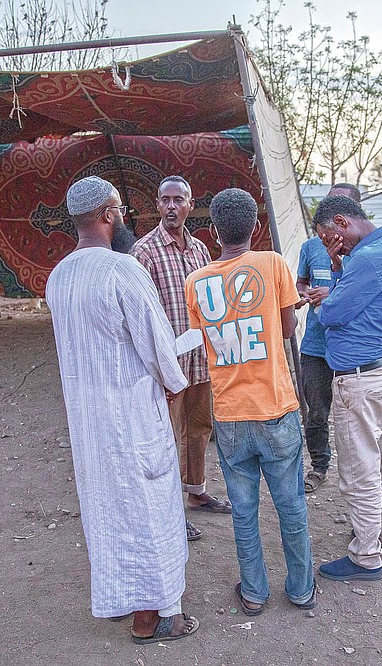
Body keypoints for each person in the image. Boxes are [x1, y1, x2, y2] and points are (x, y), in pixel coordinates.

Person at [45, 176, 198, 644]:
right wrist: (174, 384)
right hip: (130, 417)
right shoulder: (122, 270)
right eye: (122, 211)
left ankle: (120, 598)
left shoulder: (58, 277)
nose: (126, 218)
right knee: (146, 511)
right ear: (109, 215)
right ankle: (154, 617)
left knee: (106, 512)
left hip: (88, 423)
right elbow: (156, 346)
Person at [184, 187, 316, 615]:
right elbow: (285, 329)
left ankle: (255, 592)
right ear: (255, 227)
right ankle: (301, 589)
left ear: (213, 232)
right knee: (291, 504)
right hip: (276, 407)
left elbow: (206, 339)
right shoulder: (273, 263)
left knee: (243, 511)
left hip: (230, 413)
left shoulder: (196, 282)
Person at [312, 195, 382, 583]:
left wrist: (324, 303)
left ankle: (366, 555)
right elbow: (346, 300)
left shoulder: (368, 259)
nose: (330, 245)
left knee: (359, 468)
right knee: (381, 455)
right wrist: (337, 270)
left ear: (341, 222)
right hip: (375, 372)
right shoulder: (381, 252)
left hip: (358, 379)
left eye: (329, 237)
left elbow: (332, 314)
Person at [131, 176, 231, 544]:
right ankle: (167, 510)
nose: (171, 207)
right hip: (166, 361)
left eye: (179, 199)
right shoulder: (143, 252)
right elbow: (139, 313)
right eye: (164, 200)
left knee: (199, 426)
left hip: (200, 355)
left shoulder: (201, 251)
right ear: (157, 205)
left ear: (190, 205)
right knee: (165, 435)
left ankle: (196, 490)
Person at [296, 183, 360, 493]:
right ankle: (319, 465)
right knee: (316, 412)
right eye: (329, 202)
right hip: (315, 344)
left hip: (349, 347)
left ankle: (355, 474)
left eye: (341, 205)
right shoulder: (311, 247)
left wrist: (331, 292)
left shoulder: (363, 252)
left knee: (352, 417)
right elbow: (301, 284)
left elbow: (362, 295)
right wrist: (305, 293)